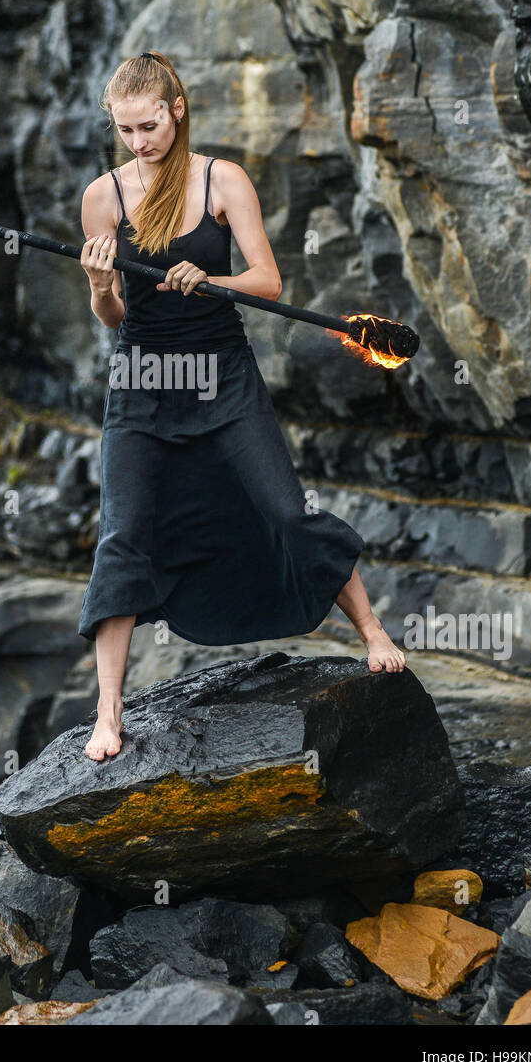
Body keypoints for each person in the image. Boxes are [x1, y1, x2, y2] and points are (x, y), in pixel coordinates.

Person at [78, 50, 406, 761]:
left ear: (177, 109)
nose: (140, 142)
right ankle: (108, 713)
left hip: (223, 376)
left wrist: (213, 277)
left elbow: (267, 281)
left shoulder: (220, 179)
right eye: (126, 130)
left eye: (150, 126)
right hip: (142, 383)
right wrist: (103, 286)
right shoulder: (102, 196)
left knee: (287, 509)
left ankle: (372, 630)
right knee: (123, 534)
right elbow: (112, 316)